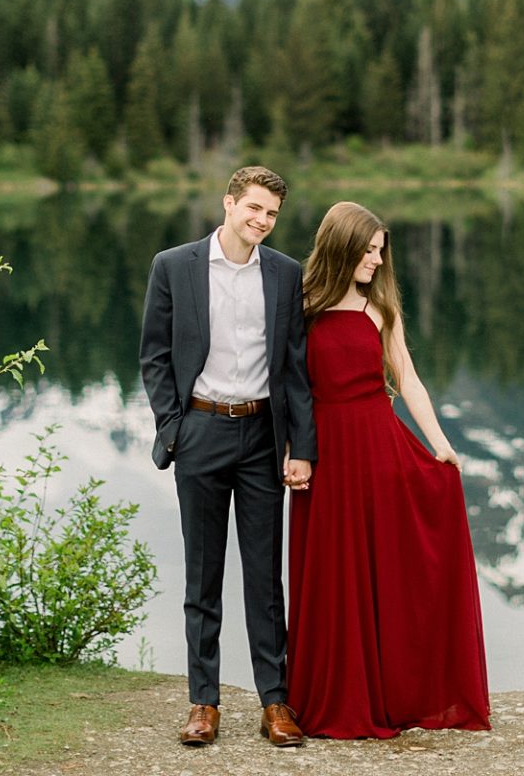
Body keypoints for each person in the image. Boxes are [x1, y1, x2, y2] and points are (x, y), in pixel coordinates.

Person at [287, 201, 491, 738]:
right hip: (323, 454)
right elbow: (287, 385)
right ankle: (337, 696)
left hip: (379, 449)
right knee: (333, 574)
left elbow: (408, 379)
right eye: (369, 250)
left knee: (387, 572)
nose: (377, 261)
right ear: (342, 247)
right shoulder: (300, 304)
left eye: (381, 251)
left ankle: (395, 691)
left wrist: (441, 445)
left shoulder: (379, 309)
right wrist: (290, 448)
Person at [139, 165, 316, 748]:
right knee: (203, 575)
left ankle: (275, 702)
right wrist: (174, 428)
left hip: (263, 436)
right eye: (254, 208)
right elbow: (154, 356)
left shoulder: (285, 273)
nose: (262, 221)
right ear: (229, 203)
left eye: (272, 214)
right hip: (201, 431)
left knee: (266, 578)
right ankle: (204, 702)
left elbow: (295, 367)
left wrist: (302, 447)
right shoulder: (174, 265)